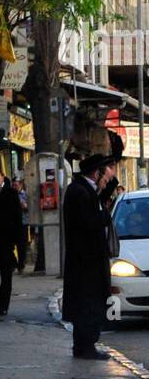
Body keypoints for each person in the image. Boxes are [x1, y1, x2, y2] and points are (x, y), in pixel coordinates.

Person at [61, 153, 115, 360]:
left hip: (89, 262)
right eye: (105, 172)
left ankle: (86, 345)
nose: (108, 177)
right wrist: (103, 216)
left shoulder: (86, 190)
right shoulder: (79, 192)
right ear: (95, 173)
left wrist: (108, 178)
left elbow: (101, 197)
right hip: (85, 263)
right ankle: (85, 347)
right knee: (87, 305)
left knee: (91, 304)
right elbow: (88, 223)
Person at [0, 172, 26, 318]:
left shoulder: (10, 193)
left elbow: (16, 217)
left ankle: (2, 306)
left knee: (6, 274)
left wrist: (16, 241)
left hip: (5, 239)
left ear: (3, 178)